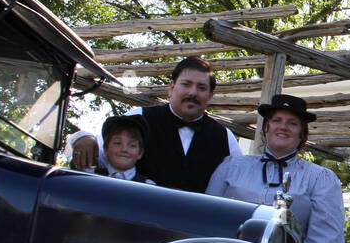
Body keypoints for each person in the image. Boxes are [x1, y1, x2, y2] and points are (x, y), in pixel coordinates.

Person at [205, 94, 345, 243]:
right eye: (276, 120)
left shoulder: (320, 179)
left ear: (302, 134)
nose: (283, 127)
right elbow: (208, 218)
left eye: (292, 123)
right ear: (266, 127)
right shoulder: (231, 167)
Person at [67, 56, 240, 191]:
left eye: (201, 88)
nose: (192, 92)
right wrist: (84, 138)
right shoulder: (139, 118)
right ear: (171, 88)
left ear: (210, 96)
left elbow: (240, 184)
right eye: (186, 84)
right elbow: (101, 153)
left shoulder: (225, 138)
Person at [97, 114, 154, 184]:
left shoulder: (148, 187)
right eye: (117, 143)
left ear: (140, 153)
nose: (124, 149)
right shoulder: (92, 178)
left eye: (132, 145)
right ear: (105, 148)